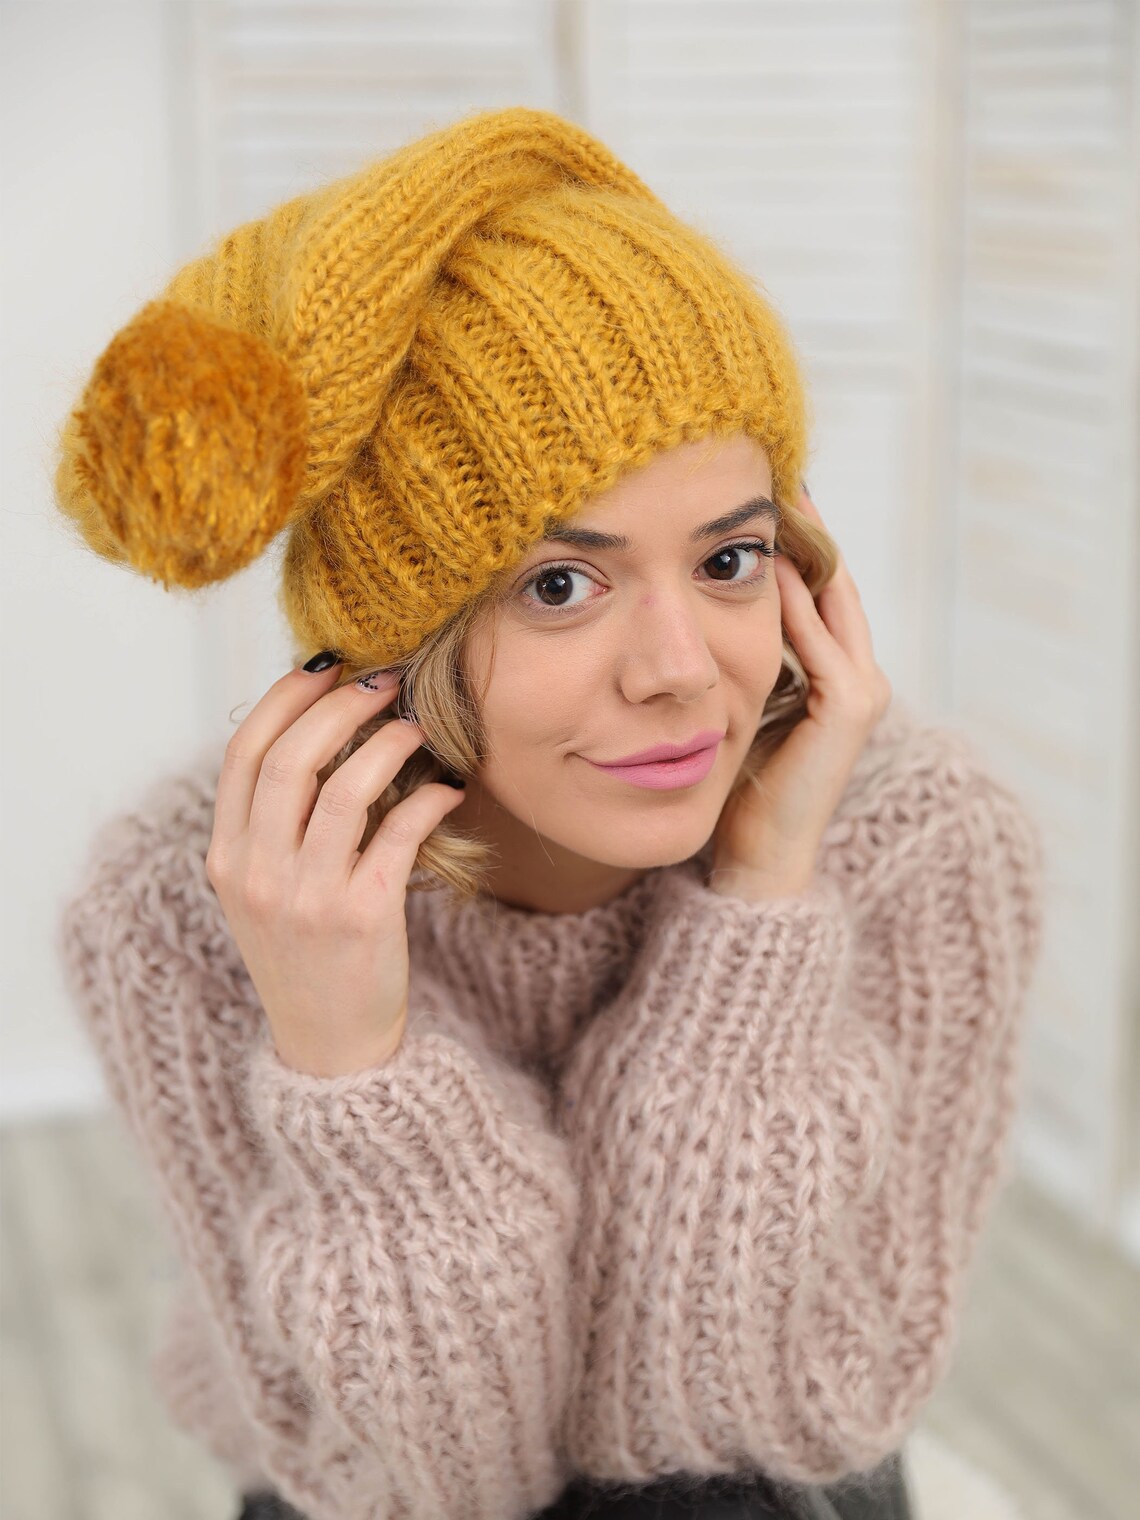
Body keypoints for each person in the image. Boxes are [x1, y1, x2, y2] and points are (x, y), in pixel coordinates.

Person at [51, 106, 1045, 1520]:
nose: (682, 671)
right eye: (560, 584)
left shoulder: (922, 842)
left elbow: (756, 1419)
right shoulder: (191, 908)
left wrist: (757, 916)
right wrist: (350, 1065)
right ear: (396, 637)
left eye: (729, 559)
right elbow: (413, 1481)